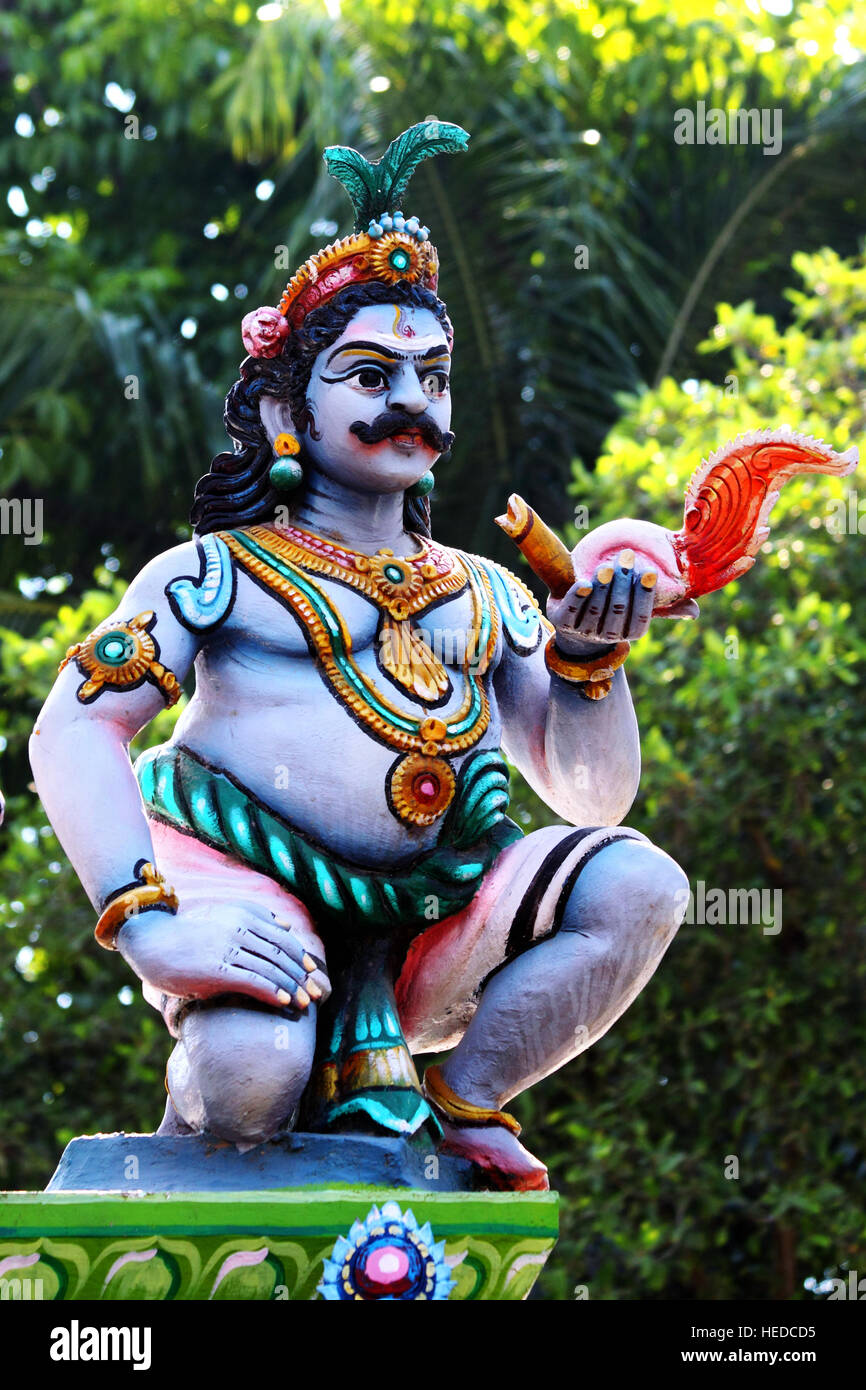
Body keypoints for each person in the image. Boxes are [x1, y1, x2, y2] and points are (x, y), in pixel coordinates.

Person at [30, 122, 688, 1190]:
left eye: (432, 377)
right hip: (246, 893)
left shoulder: (487, 592)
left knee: (639, 883)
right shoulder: (217, 574)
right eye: (371, 374)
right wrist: (145, 926)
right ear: (290, 408)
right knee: (251, 1078)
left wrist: (586, 666)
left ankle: (464, 1103)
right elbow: (73, 726)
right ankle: (194, 1163)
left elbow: (592, 795)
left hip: (436, 918)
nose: (410, 405)